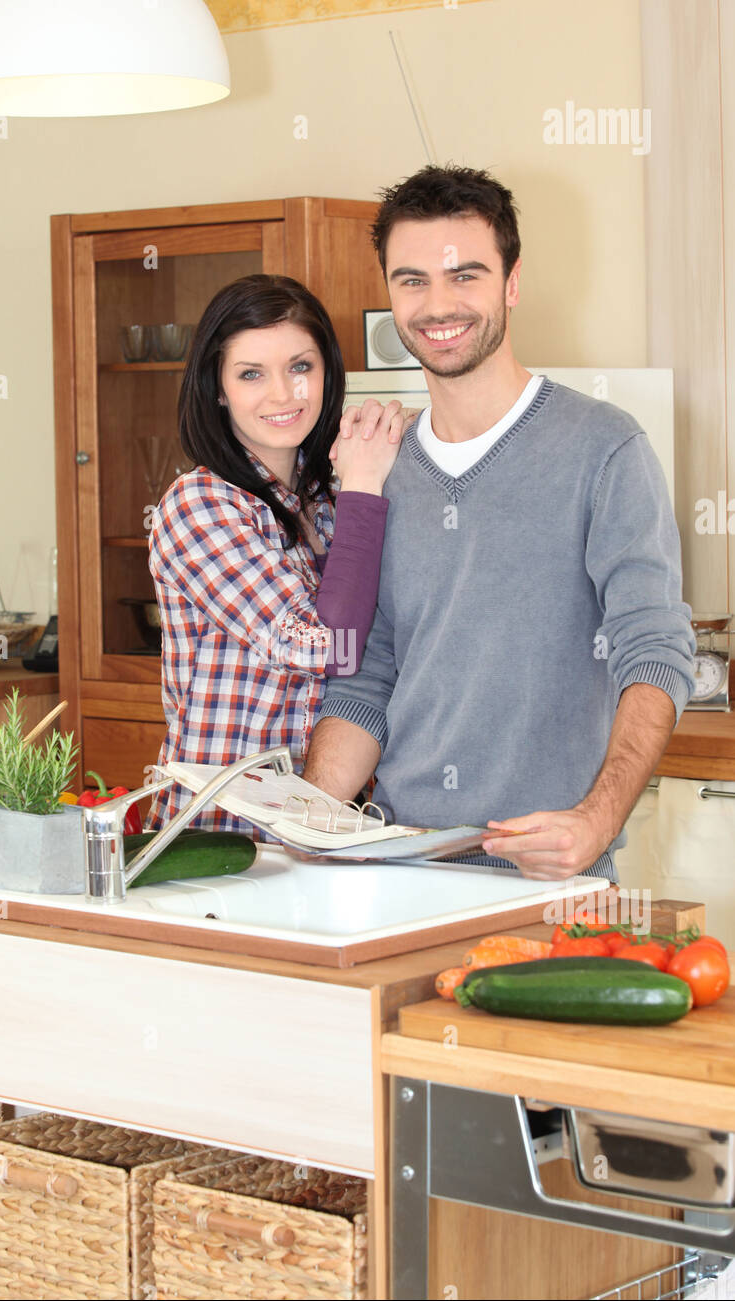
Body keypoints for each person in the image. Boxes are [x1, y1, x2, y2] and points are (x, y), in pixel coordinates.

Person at [303, 164, 696, 883]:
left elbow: (655, 651)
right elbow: (368, 678)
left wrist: (596, 821)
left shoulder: (604, 448)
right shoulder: (381, 471)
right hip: (400, 868)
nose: (437, 303)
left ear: (512, 285)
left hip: (551, 876)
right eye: (412, 279)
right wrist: (309, 818)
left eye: (466, 275)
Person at [144, 273, 405, 837]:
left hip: (323, 830)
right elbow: (328, 648)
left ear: (327, 372)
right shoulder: (200, 503)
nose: (283, 395)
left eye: (300, 367)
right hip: (218, 839)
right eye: (251, 374)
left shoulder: (331, 502)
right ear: (218, 389)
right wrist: (364, 484)